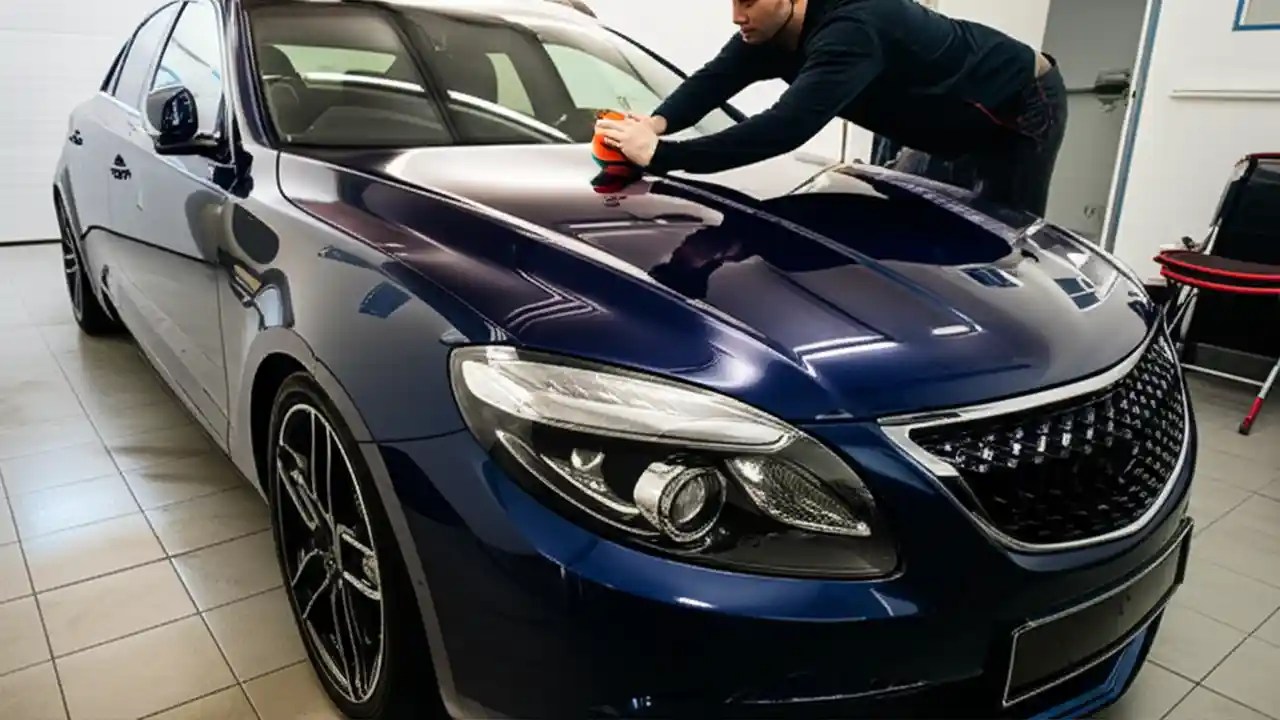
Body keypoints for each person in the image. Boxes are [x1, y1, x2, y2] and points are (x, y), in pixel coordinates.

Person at [595, 0, 1068, 216]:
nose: (737, 15)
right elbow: (711, 81)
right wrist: (655, 123)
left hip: (1017, 102)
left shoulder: (852, 29)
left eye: (749, 1)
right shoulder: (762, 35)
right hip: (934, 115)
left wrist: (664, 156)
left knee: (1005, 240)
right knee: (922, 223)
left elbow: (784, 128)